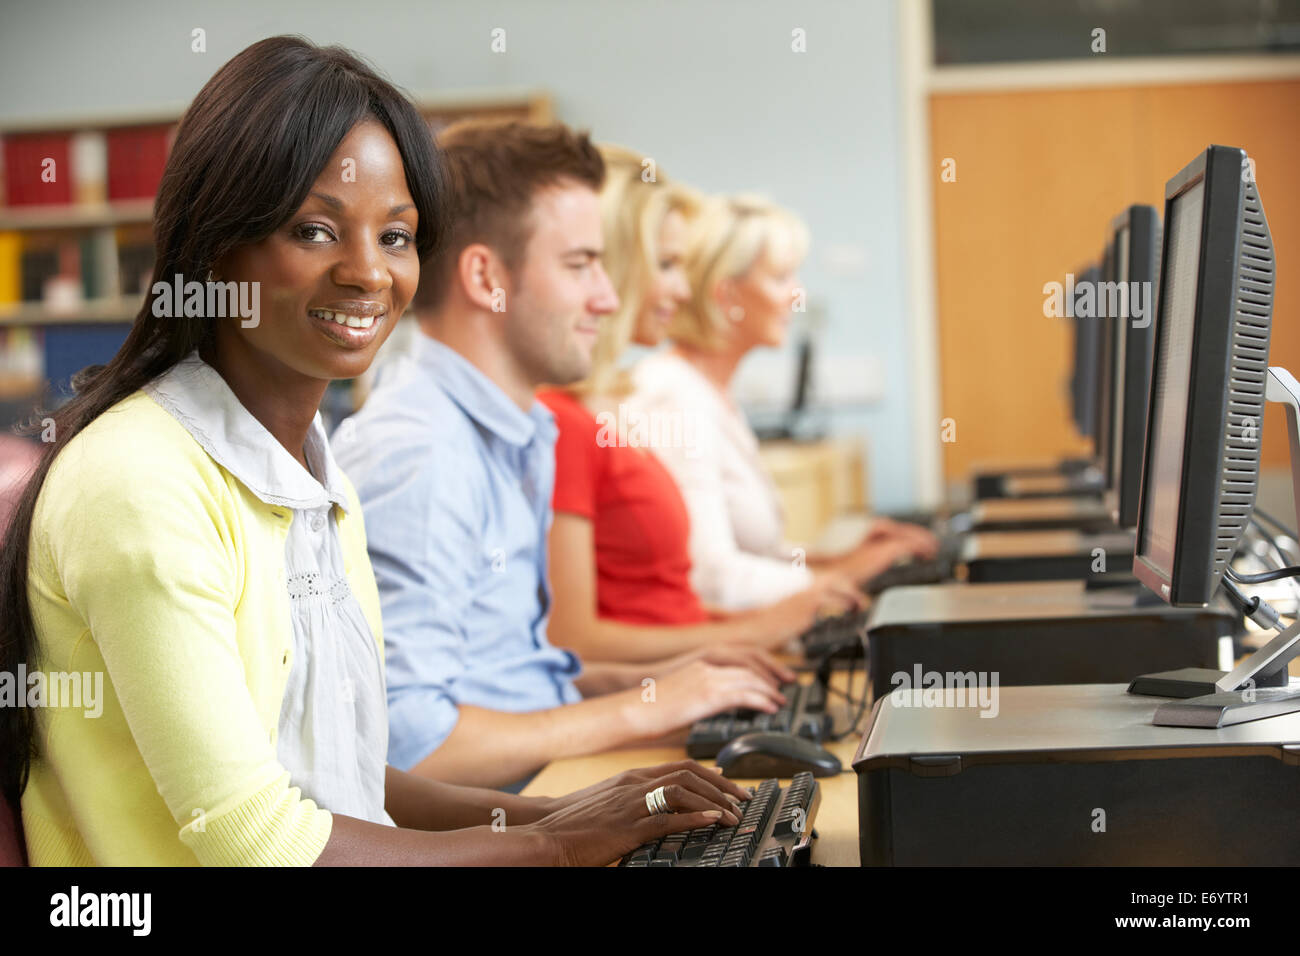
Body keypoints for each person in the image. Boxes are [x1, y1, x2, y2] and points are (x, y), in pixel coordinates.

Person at [0, 37, 748, 867]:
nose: (367, 273)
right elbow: (262, 840)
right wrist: (553, 850)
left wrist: (557, 813)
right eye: (314, 231)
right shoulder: (140, 480)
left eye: (395, 237)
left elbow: (336, 777)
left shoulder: (315, 471)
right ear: (217, 246)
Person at [334, 121, 794, 792]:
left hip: (545, 791)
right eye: (580, 265)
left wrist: (665, 683)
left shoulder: (519, 432)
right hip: (505, 821)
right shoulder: (420, 454)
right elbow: (411, 747)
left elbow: (513, 674)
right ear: (486, 277)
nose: (608, 297)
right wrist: (641, 712)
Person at [539, 146, 861, 664]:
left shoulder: (609, 403)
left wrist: (818, 587)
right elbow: (581, 636)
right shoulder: (623, 405)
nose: (682, 288)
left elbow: (669, 595)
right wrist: (764, 626)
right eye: (665, 264)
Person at [628, 194, 938, 612]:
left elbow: (746, 550)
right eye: (781, 278)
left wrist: (834, 558)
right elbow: (710, 577)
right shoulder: (673, 399)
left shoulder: (712, 393)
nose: (798, 296)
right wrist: (835, 579)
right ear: (727, 294)